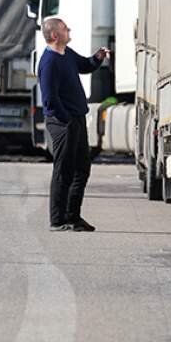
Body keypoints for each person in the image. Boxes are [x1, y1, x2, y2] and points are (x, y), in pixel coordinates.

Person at [37, 17, 110, 232]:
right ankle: (57, 220)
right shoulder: (49, 62)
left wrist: (98, 57)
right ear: (54, 35)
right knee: (64, 171)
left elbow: (84, 65)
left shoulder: (66, 54)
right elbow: (49, 99)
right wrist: (66, 119)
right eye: (64, 28)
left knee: (82, 169)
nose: (69, 30)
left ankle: (73, 216)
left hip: (76, 119)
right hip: (62, 123)